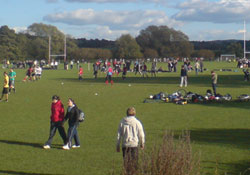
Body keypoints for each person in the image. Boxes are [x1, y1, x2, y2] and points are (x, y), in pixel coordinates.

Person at [116, 107, 145, 174]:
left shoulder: (122, 122)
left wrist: (118, 145)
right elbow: (141, 134)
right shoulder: (137, 122)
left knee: (126, 164)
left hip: (125, 145)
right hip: (134, 145)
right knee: (134, 164)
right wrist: (142, 143)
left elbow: (119, 135)